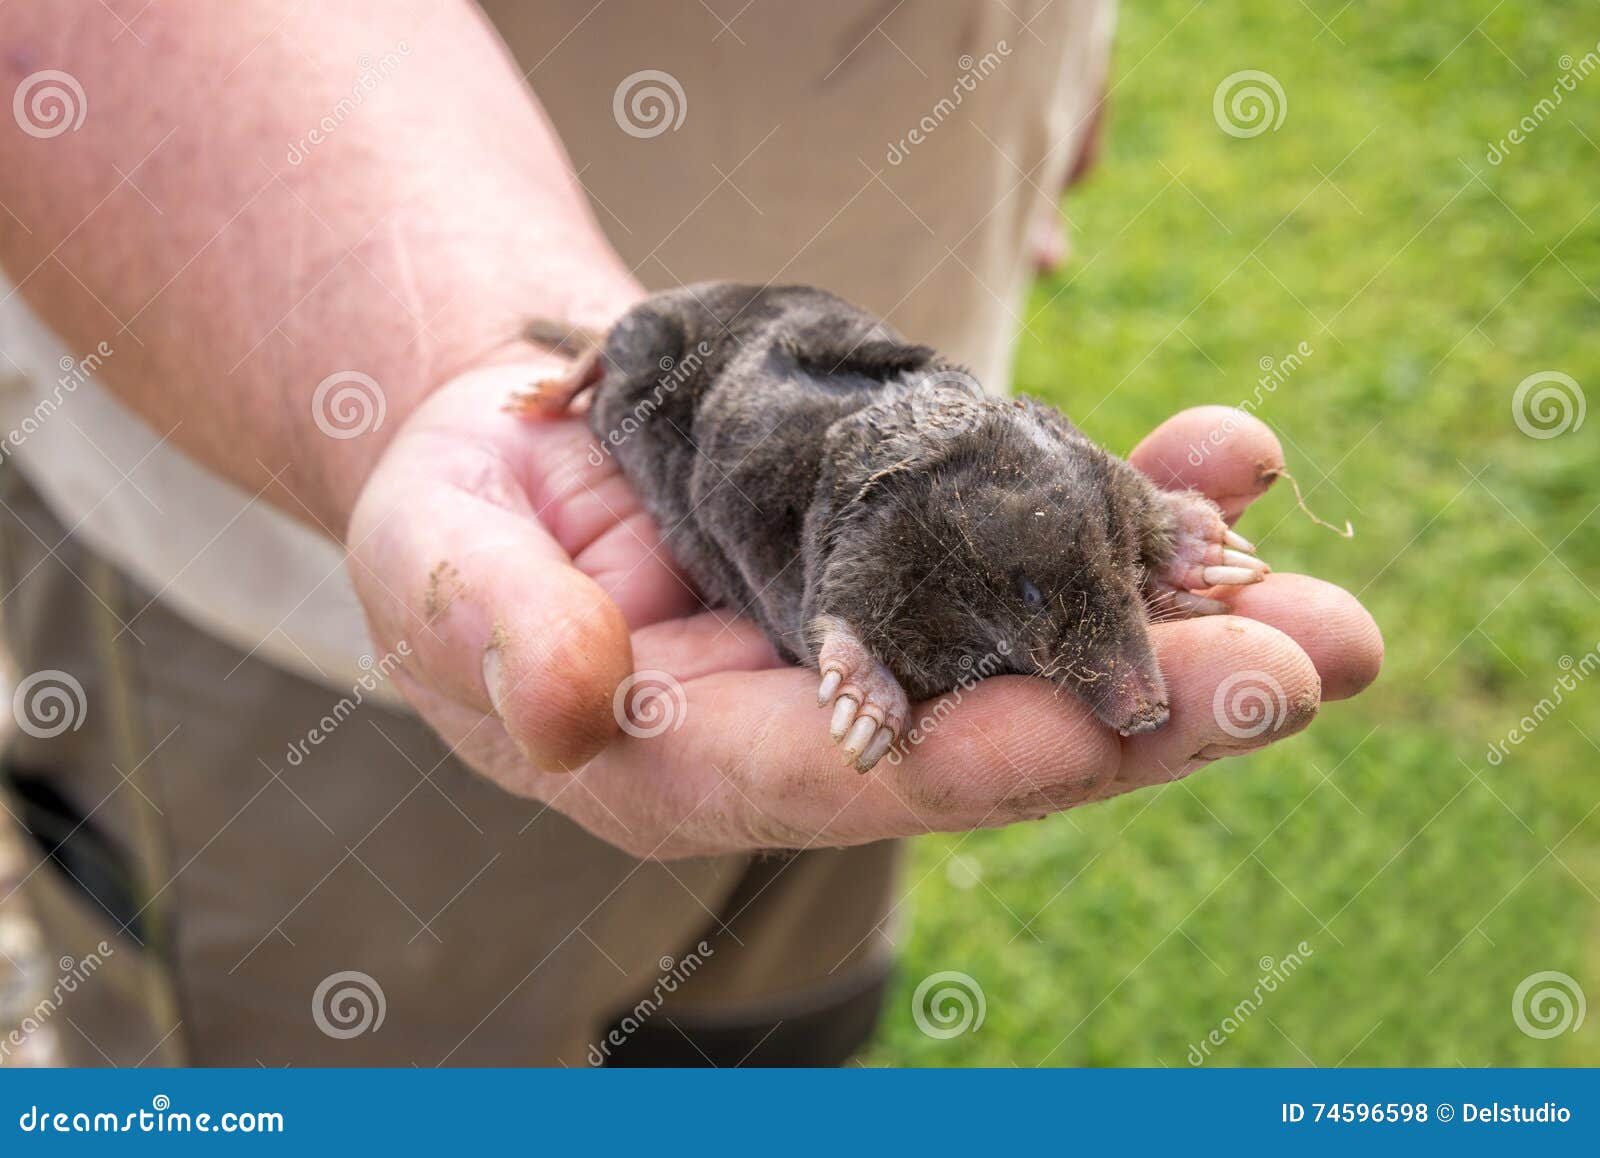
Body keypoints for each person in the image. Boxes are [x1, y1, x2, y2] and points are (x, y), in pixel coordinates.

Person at [0, 1, 1380, 1066]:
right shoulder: (855, 552)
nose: (1134, 695)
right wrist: (444, 360)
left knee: (765, 1045)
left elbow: (1061, 515)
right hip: (319, 584)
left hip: (890, 407)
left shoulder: (1022, 498)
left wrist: (1047, 72)